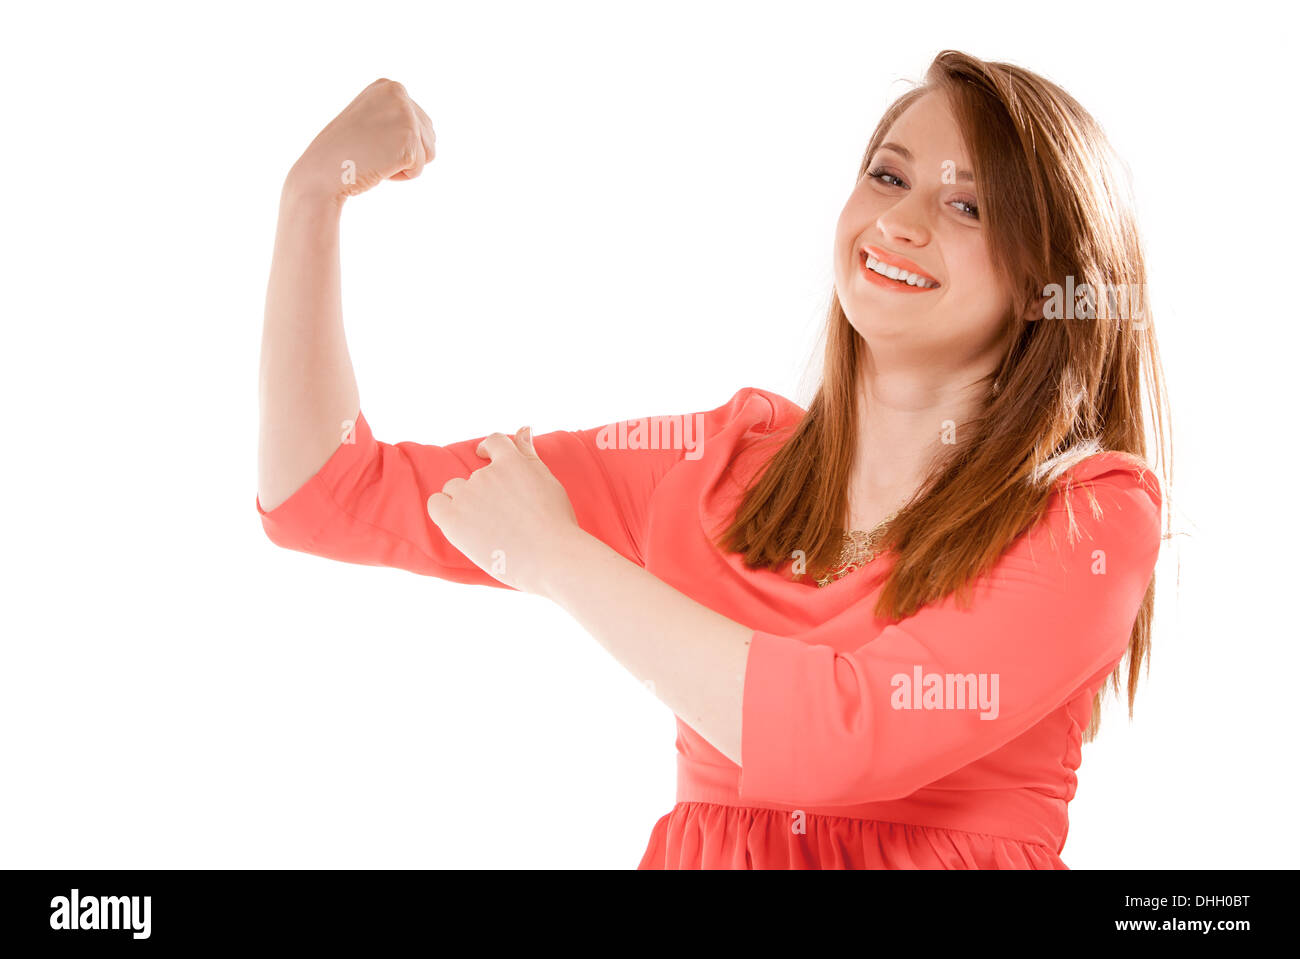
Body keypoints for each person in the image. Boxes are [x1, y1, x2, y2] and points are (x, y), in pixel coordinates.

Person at [256, 50, 1171, 869]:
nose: (902, 219)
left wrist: (558, 558)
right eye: (887, 176)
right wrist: (311, 197)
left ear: (1052, 281)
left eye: (966, 203)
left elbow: (843, 738)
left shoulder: (1091, 516)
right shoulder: (710, 468)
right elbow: (325, 493)